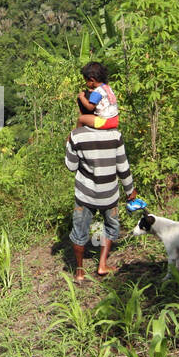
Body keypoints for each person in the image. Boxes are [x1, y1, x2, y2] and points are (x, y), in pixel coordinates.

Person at [65, 116, 136, 282]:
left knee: (79, 232)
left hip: (85, 195)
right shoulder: (115, 135)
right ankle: (102, 264)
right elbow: (123, 167)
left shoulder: (77, 136)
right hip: (109, 195)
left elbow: (71, 166)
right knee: (111, 227)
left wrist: (70, 140)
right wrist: (130, 190)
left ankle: (80, 272)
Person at [75, 61, 119, 131]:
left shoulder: (97, 92)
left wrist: (81, 97)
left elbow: (90, 107)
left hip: (105, 121)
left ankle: (77, 135)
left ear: (92, 80)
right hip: (115, 120)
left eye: (86, 81)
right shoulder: (107, 87)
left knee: (81, 119)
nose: (86, 84)